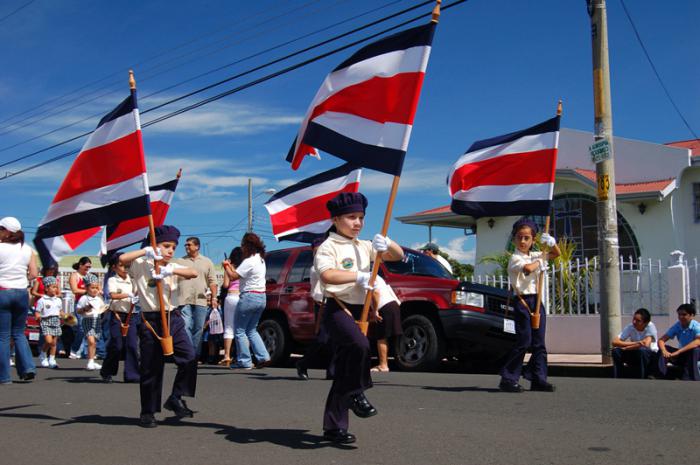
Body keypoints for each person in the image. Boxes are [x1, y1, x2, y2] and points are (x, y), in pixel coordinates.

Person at [314, 192, 404, 444]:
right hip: (337, 307)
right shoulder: (328, 246)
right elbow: (328, 276)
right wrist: (358, 277)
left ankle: (334, 427)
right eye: (351, 217)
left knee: (344, 368)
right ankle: (357, 392)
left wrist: (388, 243)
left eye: (361, 217)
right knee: (360, 346)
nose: (358, 223)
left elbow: (396, 256)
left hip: (361, 310)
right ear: (335, 220)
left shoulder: (365, 245)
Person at [119, 225, 198, 428]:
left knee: (188, 357)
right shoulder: (141, 263)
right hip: (150, 319)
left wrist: (170, 269)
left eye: (174, 247)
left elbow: (192, 273)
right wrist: (145, 251)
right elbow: (122, 259)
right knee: (151, 367)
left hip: (173, 317)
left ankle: (176, 396)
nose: (171, 250)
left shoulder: (172, 265)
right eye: (166, 246)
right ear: (155, 245)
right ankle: (148, 411)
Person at [499, 219, 560, 393]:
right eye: (519, 237)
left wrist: (552, 243)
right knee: (524, 341)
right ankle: (508, 378)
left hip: (537, 301)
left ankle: (538, 378)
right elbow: (527, 269)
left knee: (539, 343)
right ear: (514, 240)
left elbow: (555, 254)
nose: (523, 241)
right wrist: (540, 263)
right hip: (523, 301)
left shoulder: (536, 255)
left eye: (527, 238)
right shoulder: (514, 258)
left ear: (533, 240)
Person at [222, 233, 270, 370]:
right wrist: (230, 267)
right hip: (261, 297)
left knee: (239, 330)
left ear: (247, 246)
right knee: (252, 330)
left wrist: (226, 266)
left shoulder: (248, 261)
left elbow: (232, 277)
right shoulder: (260, 260)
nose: (242, 248)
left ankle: (245, 361)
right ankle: (263, 356)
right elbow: (239, 274)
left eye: (243, 245)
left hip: (248, 297)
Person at [0, 217, 38, 384]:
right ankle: (28, 368)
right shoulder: (27, 249)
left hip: (3, 291)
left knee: (3, 336)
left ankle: (4, 376)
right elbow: (34, 274)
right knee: (18, 333)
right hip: (21, 292)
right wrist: (24, 278)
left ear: (7, 231)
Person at [296, 238, 334, 381]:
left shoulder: (331, 264)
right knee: (322, 339)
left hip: (335, 302)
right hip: (321, 303)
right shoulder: (315, 268)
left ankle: (332, 370)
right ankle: (303, 363)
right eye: (317, 250)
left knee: (334, 339)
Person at [100, 253, 140, 384]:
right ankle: (107, 371)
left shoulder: (133, 280)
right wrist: (127, 295)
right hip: (117, 314)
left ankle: (132, 374)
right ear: (114, 267)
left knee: (132, 345)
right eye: (121, 265)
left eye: (127, 266)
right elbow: (112, 295)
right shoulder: (112, 280)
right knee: (116, 345)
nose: (124, 268)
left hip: (131, 315)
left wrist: (137, 297)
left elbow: (138, 293)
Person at [176, 237, 218, 361]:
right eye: (186, 245)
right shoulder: (179, 261)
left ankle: (194, 354)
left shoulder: (207, 262)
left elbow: (213, 281)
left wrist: (214, 298)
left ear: (197, 246)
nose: (186, 247)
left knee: (198, 328)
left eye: (189, 245)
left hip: (201, 299)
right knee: (185, 326)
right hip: (183, 299)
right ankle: (189, 353)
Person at [368, 275, 403, 373]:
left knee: (381, 337)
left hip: (384, 306)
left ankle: (383, 365)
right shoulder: (376, 276)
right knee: (389, 335)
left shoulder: (368, 276)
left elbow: (375, 293)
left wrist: (374, 311)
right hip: (393, 304)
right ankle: (389, 362)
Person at [657, 303, 700, 381]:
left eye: (684, 314)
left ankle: (692, 378)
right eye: (679, 314)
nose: (680, 317)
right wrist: (664, 351)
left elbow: (697, 342)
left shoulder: (697, 326)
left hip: (695, 354)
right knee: (663, 348)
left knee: (695, 350)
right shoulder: (677, 326)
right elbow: (661, 340)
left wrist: (678, 352)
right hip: (682, 353)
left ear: (692, 315)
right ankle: (660, 375)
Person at [612, 308, 658, 379]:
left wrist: (627, 348)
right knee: (616, 351)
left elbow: (646, 344)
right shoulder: (631, 326)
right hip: (635, 352)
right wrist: (636, 342)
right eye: (634, 319)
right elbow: (614, 342)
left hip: (649, 356)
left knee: (642, 351)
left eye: (638, 321)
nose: (634, 322)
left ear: (645, 323)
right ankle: (618, 377)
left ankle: (643, 377)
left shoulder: (650, 326)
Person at [75, 273, 105, 371]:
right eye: (92, 287)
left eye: (97, 287)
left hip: (97, 320)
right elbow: (78, 310)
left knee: (94, 342)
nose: (95, 290)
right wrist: (86, 308)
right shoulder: (84, 298)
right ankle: (90, 361)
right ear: (87, 288)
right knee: (91, 340)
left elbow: (102, 308)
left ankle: (92, 359)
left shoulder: (99, 298)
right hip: (88, 320)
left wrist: (105, 309)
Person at [219, 247, 243, 367]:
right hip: (242, 297)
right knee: (241, 328)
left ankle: (226, 355)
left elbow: (225, 284)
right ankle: (241, 355)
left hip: (231, 297)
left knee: (228, 327)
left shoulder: (228, 265)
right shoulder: (245, 266)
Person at [34, 276, 63, 369]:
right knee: (48, 341)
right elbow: (37, 312)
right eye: (53, 287)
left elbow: (60, 311)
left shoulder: (58, 300)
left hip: (56, 321)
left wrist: (65, 316)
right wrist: (38, 317)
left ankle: (52, 359)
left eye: (56, 287)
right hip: (46, 321)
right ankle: (43, 354)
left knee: (54, 342)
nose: (55, 289)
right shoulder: (42, 300)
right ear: (46, 288)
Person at [68, 256, 92, 359]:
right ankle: (74, 348)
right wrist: (88, 291)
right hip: (79, 304)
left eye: (89, 267)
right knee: (82, 328)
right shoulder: (75, 276)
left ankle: (85, 352)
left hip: (90, 304)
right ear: (81, 265)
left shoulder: (89, 276)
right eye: (86, 266)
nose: (88, 269)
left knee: (89, 329)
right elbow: (75, 290)